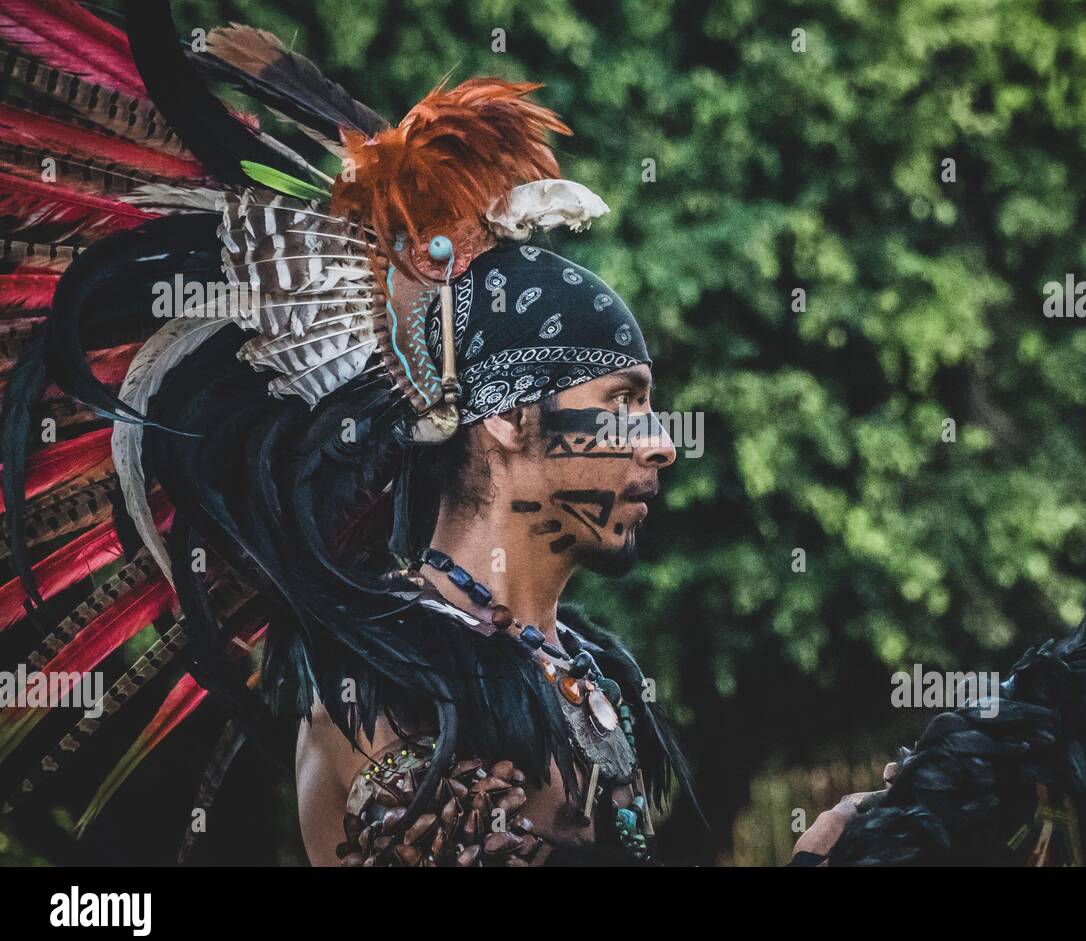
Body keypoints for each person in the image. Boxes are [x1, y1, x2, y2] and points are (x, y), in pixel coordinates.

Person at [0, 0, 695, 865]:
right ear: (512, 420)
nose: (661, 442)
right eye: (622, 404)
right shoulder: (400, 684)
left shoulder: (586, 673)